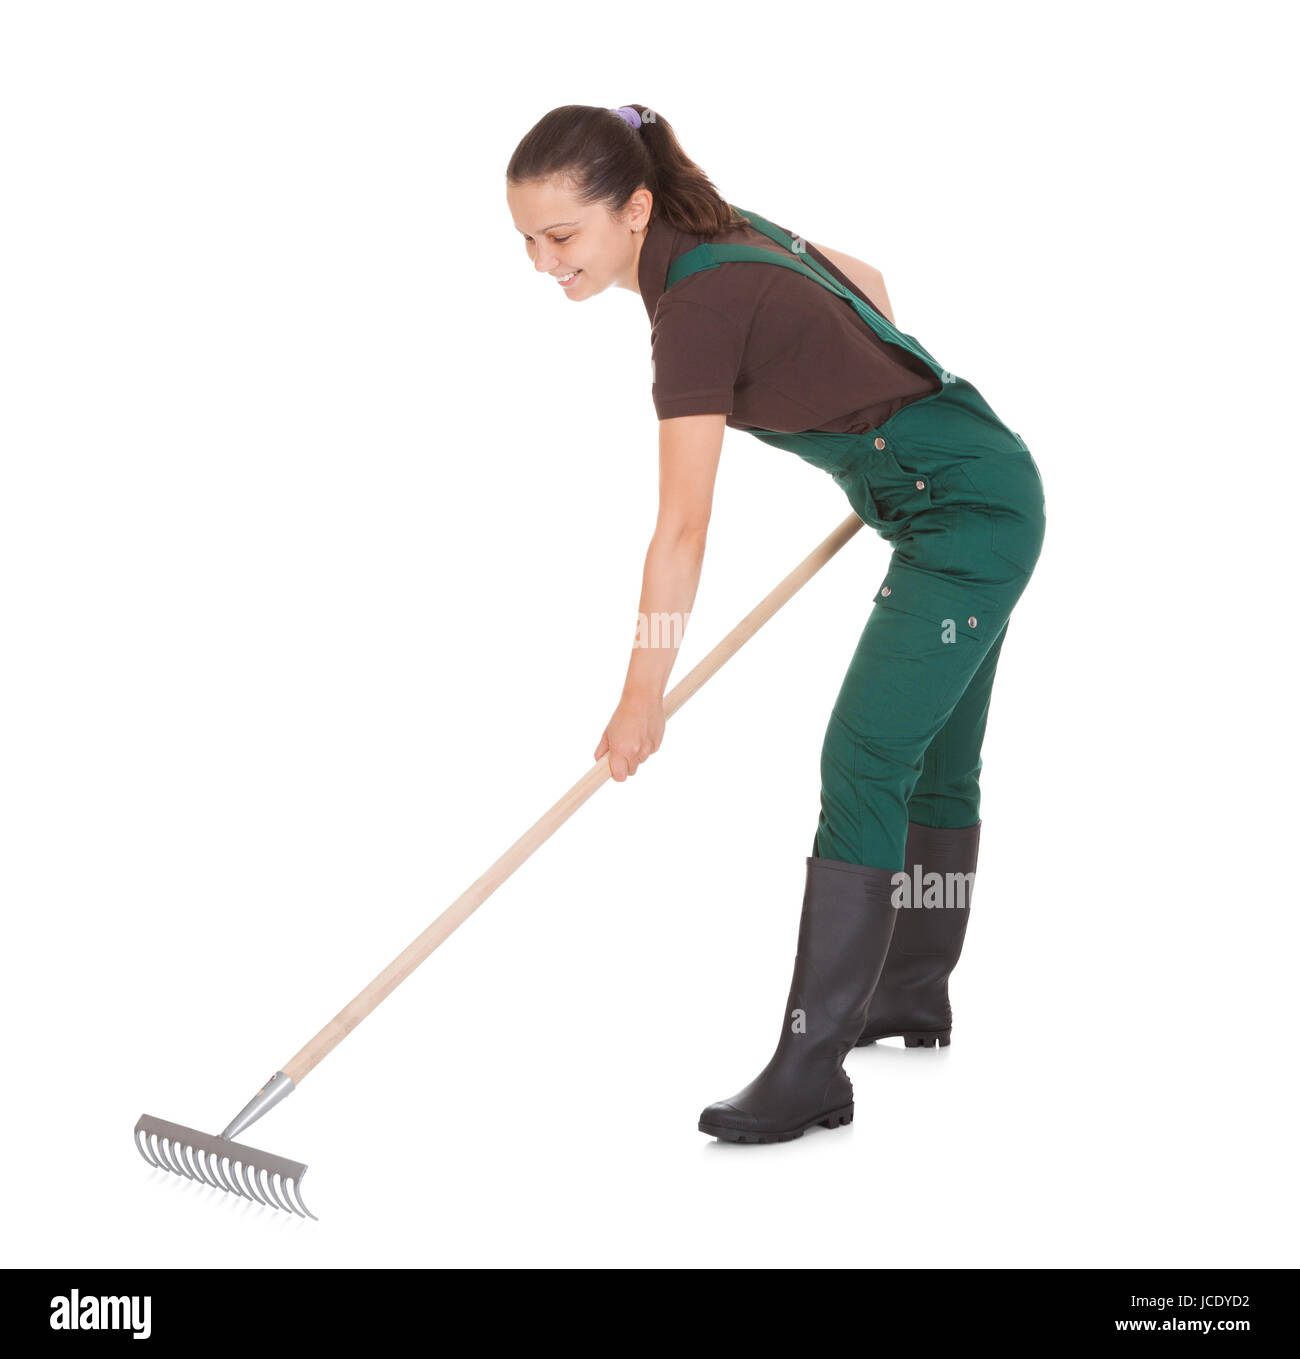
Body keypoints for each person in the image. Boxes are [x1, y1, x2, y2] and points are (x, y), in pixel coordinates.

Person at [505, 104, 1046, 1144]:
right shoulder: (715, 230)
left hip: (966, 521)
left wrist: (639, 697)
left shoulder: (693, 312)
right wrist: (874, 446)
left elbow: (681, 530)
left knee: (863, 759)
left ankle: (810, 1064)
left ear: (633, 209)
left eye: (561, 236)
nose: (540, 261)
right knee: (930, 759)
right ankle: (907, 995)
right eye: (524, 239)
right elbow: (869, 283)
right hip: (966, 480)